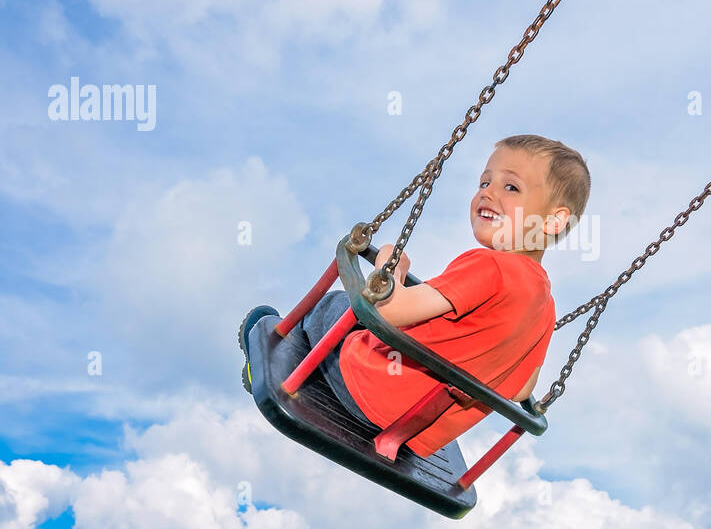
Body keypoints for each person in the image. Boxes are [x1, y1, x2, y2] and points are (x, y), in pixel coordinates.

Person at [251, 134, 590, 460]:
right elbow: (520, 389)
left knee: (337, 306)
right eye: (484, 183)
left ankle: (270, 368)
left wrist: (390, 267)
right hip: (417, 433)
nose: (488, 194)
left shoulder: (490, 266)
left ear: (554, 220)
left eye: (511, 187)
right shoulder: (545, 307)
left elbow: (389, 312)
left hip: (366, 391)